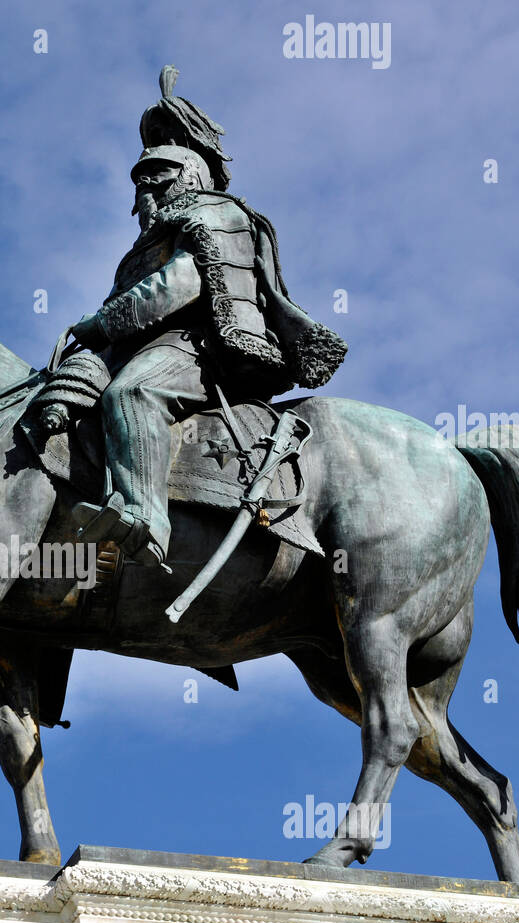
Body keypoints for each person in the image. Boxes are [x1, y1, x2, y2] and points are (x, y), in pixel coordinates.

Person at [67, 72, 346, 569]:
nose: (143, 196)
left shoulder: (213, 213)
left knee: (132, 394)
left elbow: (181, 285)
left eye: (155, 181)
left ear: (186, 176)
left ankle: (143, 517)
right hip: (144, 348)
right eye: (140, 185)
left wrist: (104, 322)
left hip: (195, 349)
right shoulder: (146, 243)